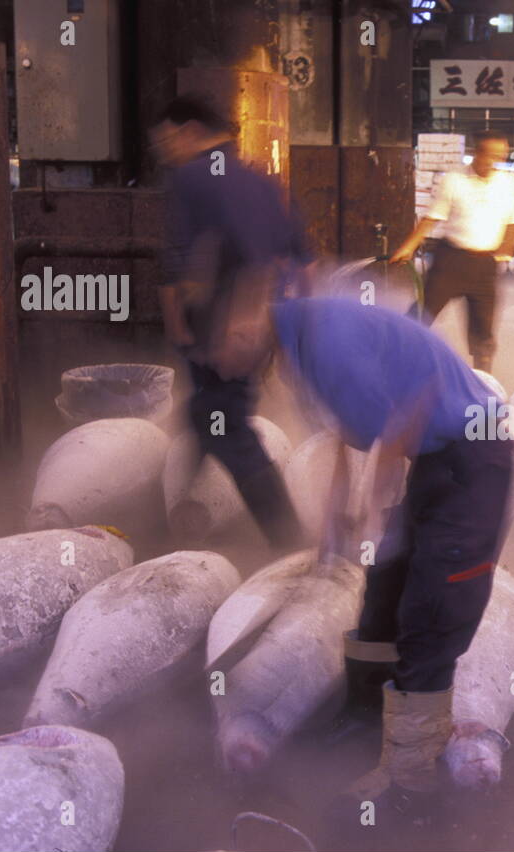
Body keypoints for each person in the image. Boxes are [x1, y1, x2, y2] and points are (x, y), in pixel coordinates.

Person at [268, 295, 514, 817]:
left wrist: (378, 505)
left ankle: (411, 780)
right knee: (383, 588)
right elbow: (344, 439)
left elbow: (415, 402)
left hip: (476, 458)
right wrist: (337, 520)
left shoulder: (328, 338)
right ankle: (365, 712)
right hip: (436, 462)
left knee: (432, 612)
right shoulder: (303, 351)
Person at [151, 95, 306, 551]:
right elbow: (301, 256)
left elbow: (178, 259)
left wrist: (183, 321)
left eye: (165, 141)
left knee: (226, 424)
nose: (166, 151)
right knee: (207, 413)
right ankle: (184, 513)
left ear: (188, 131)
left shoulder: (193, 176)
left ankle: (289, 539)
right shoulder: (262, 180)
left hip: (218, 326)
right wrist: (274, 329)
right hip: (259, 322)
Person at [389, 131, 514, 373]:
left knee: (483, 332)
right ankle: (393, 363)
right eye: (490, 155)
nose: (494, 161)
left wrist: (505, 249)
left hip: (485, 264)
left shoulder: (510, 183)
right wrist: (408, 246)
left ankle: (483, 380)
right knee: (421, 315)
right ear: (476, 153)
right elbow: (432, 217)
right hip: (451, 260)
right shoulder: (454, 179)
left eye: (501, 156)